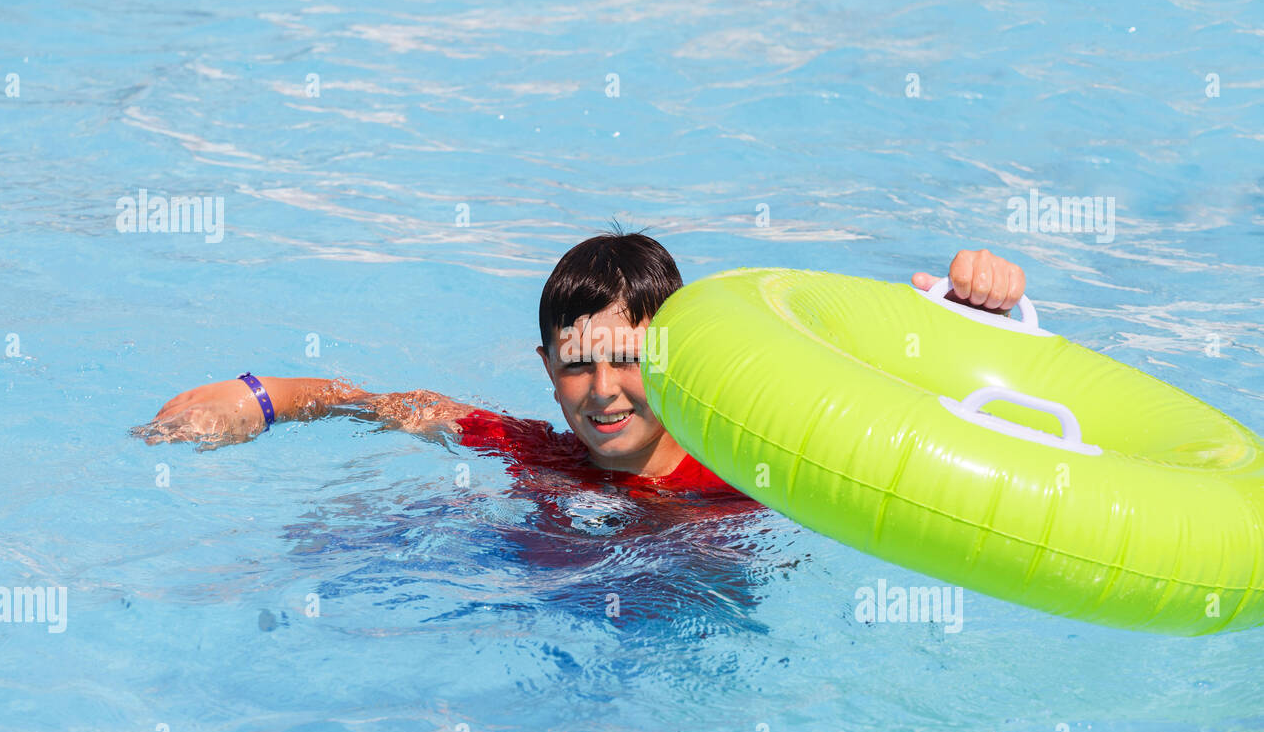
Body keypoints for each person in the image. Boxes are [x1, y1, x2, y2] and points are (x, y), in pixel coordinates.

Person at [132, 226, 1027, 502]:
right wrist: (259, 398)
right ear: (547, 365)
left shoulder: (753, 470)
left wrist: (985, 314)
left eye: (629, 361)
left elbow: (924, 425)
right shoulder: (540, 452)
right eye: (576, 365)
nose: (603, 393)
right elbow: (380, 402)